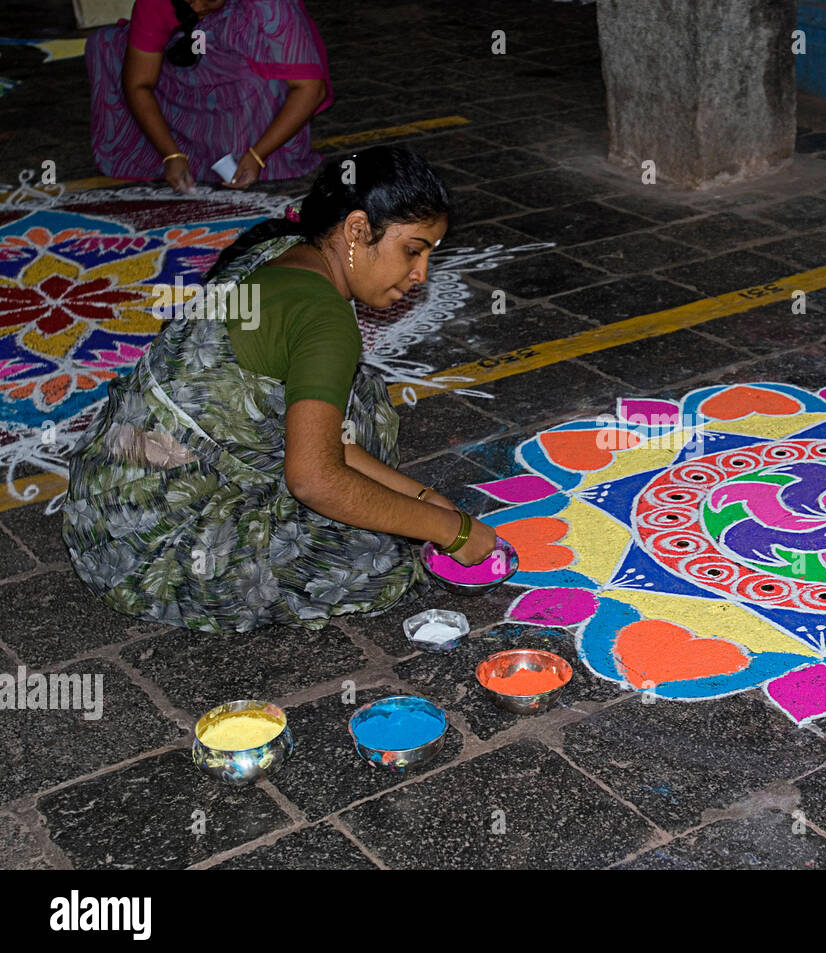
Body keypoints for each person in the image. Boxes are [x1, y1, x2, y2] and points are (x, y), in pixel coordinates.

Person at [62, 146, 499, 634]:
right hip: (153, 558)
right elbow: (314, 480)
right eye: (412, 250)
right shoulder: (325, 321)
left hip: (103, 510)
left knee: (367, 454)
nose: (420, 275)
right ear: (357, 230)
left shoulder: (278, 250)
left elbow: (319, 440)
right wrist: (453, 532)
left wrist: (425, 498)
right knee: (378, 550)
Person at [86, 0, 333, 192]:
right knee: (105, 44)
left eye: (208, 0)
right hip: (187, 75)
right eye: (188, 0)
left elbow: (310, 89)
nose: (196, 7)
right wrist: (170, 153)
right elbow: (139, 84)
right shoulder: (159, 4)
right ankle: (192, 147)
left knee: (235, 152)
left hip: (247, 83)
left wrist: (258, 155)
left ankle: (240, 142)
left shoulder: (270, 7)